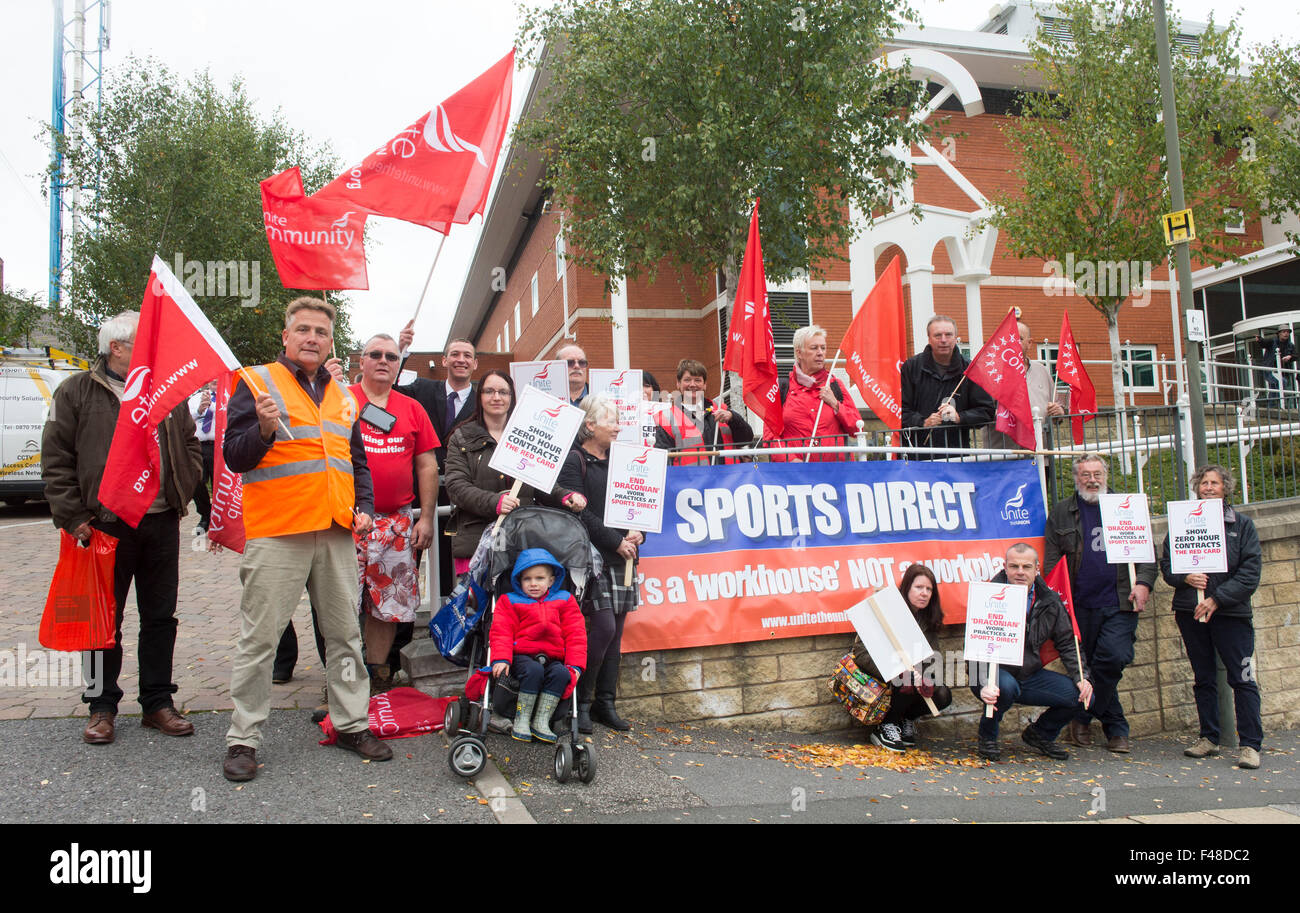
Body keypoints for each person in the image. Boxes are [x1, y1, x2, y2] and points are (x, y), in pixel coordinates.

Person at [221, 296, 389, 782]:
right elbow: (235, 456)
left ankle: (352, 723)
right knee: (260, 641)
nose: (312, 338)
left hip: (336, 531)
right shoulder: (255, 382)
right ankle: (243, 739)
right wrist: (266, 430)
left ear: (329, 340)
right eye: (303, 330)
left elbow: (356, 463)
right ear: (286, 336)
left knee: (345, 637)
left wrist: (365, 509)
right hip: (278, 531)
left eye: (321, 331)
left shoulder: (342, 395)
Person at [41, 310, 202, 745]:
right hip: (103, 527)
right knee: (101, 622)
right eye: (143, 343)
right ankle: (101, 706)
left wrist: (184, 489)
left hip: (161, 523)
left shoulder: (164, 391)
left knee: (159, 617)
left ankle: (157, 703)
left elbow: (190, 443)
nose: (154, 351)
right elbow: (56, 459)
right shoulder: (75, 391)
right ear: (116, 347)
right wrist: (74, 518)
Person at [1044, 454, 1157, 753]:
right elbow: (1052, 563)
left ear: (1106, 474)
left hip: (1120, 600)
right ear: (1076, 478)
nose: (1092, 480)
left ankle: (1082, 715)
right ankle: (1116, 728)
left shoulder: (1126, 508)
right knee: (1089, 668)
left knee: (1114, 658)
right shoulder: (1061, 513)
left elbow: (1147, 555)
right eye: (1085, 475)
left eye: (1097, 473)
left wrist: (1144, 582)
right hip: (1079, 606)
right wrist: (1057, 604)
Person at [351, 333, 439, 695]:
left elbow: (428, 466)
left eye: (391, 355)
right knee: (341, 604)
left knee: (388, 606)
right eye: (375, 354)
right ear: (362, 361)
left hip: (398, 521)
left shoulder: (411, 408)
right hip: (347, 521)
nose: (384, 360)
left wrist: (427, 517)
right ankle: (344, 680)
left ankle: (376, 673)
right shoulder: (340, 400)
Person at [1160, 464, 1263, 770]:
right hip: (1190, 611)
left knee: (1242, 678)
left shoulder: (1242, 526)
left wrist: (1217, 599)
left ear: (1225, 488)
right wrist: (1185, 577)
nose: (1207, 487)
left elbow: (1249, 574)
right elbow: (1168, 567)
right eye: (1203, 483)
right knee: (1203, 676)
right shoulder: (1181, 523)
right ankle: (1209, 737)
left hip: (1231, 613)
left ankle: (1250, 745)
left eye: (1214, 483)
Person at [443, 369, 584, 578]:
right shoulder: (462, 437)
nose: (496, 397)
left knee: (519, 607)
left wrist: (564, 496)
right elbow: (456, 486)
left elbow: (540, 482)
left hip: (523, 538)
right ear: (479, 396)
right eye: (489, 391)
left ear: (512, 397)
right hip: (476, 539)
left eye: (503, 392)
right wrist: (494, 502)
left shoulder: (529, 432)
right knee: (479, 609)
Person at [558, 394, 643, 733]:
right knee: (604, 628)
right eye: (612, 421)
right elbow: (581, 514)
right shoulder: (574, 460)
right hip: (594, 558)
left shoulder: (624, 460)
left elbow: (640, 502)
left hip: (625, 555)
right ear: (590, 425)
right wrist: (615, 541)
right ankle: (581, 700)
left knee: (617, 633)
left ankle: (606, 704)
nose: (618, 427)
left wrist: (639, 533)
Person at [969, 543, 1093, 762]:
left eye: (1026, 566)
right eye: (1014, 566)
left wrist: (1082, 678)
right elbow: (974, 646)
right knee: (1004, 688)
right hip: (993, 673)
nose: (1020, 572)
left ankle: (1040, 734)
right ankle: (987, 736)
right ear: (1004, 567)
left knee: (1081, 697)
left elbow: (1067, 643)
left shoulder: (1050, 601)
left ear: (1037, 569)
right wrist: (981, 682)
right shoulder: (986, 595)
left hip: (1029, 674)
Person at [394, 328, 478, 602]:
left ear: (475, 364)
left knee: (450, 562)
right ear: (444, 360)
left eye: (467, 356)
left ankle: (446, 624)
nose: (461, 360)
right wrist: (400, 351)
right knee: (408, 560)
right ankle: (400, 632)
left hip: (461, 494)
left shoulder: (482, 399)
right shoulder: (422, 389)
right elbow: (390, 391)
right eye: (455, 354)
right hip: (421, 490)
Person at [849, 564, 952, 751]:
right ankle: (886, 726)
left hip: (913, 678)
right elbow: (860, 653)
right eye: (919, 587)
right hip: (884, 677)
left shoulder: (927, 620)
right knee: (906, 679)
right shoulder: (886, 612)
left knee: (943, 695)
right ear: (907, 588)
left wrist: (928, 679)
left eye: (929, 589)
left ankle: (905, 719)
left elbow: (933, 659)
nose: (924, 593)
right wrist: (894, 670)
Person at [490, 548, 587, 743]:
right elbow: (502, 631)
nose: (533, 584)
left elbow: (576, 634)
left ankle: (542, 720)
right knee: (533, 670)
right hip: (521, 656)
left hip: (554, 656)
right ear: (519, 581)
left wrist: (575, 665)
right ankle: (522, 717)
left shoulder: (565, 600)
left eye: (540, 578)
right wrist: (501, 658)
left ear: (551, 580)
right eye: (527, 579)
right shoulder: (509, 601)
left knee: (561, 674)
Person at [900, 315, 995, 457]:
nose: (943, 340)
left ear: (956, 337)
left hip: (957, 455)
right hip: (917, 456)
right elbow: (900, 410)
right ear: (929, 338)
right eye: (938, 335)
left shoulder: (970, 370)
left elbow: (986, 412)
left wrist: (959, 417)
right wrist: (923, 422)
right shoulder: (911, 367)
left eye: (948, 335)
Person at [766, 325, 860, 461]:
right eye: (814, 348)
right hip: (796, 477)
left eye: (823, 348)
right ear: (799, 353)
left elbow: (857, 429)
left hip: (836, 474)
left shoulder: (835, 385)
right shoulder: (781, 388)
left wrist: (836, 405)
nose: (820, 352)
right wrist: (790, 460)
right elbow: (770, 436)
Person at [654, 358, 753, 464]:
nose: (692, 384)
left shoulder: (723, 410)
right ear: (678, 384)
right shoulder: (667, 418)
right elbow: (663, 460)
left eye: (697, 380)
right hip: (691, 480)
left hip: (728, 478)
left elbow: (746, 438)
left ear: (705, 384)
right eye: (687, 380)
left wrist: (733, 418)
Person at [983, 321, 1065, 450]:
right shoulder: (991, 373)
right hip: (1005, 456)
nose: (1014, 343)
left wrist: (1059, 412)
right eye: (1009, 338)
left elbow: (1058, 407)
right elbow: (982, 411)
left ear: (1029, 343)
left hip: (1039, 455)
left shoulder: (1042, 371)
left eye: (1019, 339)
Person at [189, 382, 216, 536]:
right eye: (212, 379)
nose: (215, 381)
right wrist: (200, 409)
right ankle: (206, 514)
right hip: (199, 446)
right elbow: (186, 420)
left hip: (220, 445)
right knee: (196, 481)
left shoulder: (228, 397)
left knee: (220, 482)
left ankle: (222, 520)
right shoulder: (195, 399)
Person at [1255, 326, 1294, 406]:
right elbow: (1264, 343)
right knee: (1281, 381)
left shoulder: (1290, 345)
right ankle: (1281, 403)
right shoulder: (1273, 342)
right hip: (1269, 369)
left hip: (1282, 371)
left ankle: (1271, 405)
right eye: (1284, 332)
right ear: (1279, 334)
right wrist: (1260, 340)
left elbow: (1296, 355)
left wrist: (1290, 357)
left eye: (1287, 332)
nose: (1286, 334)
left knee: (1274, 386)